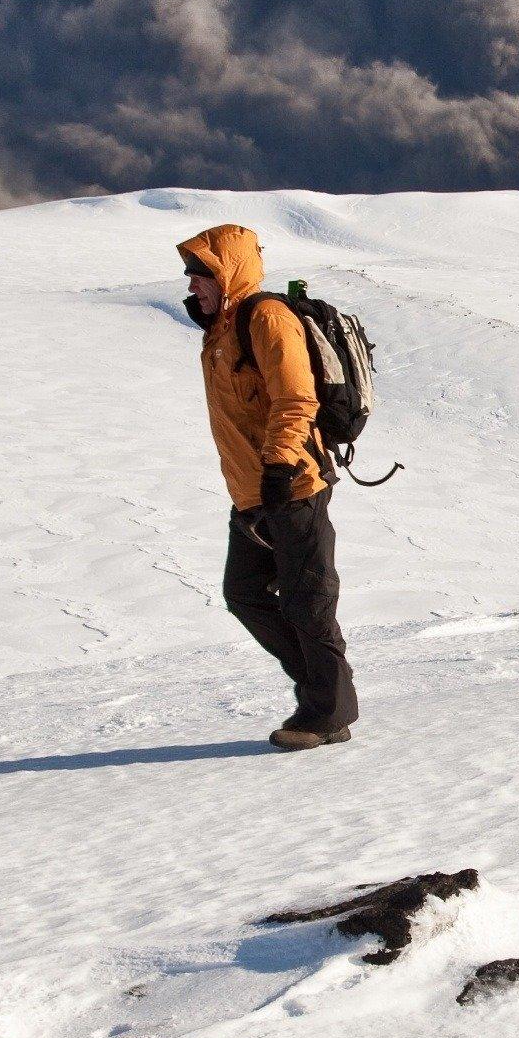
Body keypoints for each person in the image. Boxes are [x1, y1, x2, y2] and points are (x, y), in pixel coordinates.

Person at [180, 224, 357, 749]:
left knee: (309, 601)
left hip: (292, 484)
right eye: (190, 276)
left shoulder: (267, 318)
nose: (191, 286)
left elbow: (296, 397)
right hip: (252, 494)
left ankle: (328, 712)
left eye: (200, 275)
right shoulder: (221, 334)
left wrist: (280, 466)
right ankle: (323, 694)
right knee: (245, 593)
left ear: (227, 272)